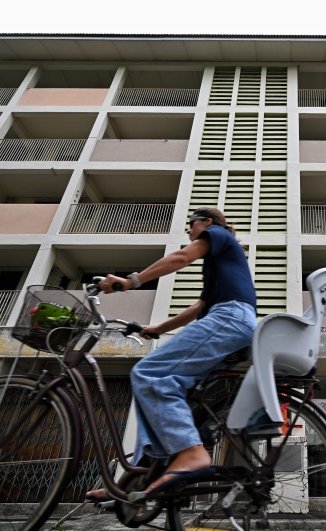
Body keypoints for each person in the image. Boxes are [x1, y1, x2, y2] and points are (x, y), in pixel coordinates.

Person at [86, 207, 257, 500]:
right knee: (165, 393)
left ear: (206, 222)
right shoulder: (222, 266)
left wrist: (131, 282)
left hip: (230, 318)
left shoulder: (216, 235)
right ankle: (140, 478)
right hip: (232, 320)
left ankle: (191, 454)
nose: (190, 233)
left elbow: (181, 258)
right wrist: (157, 328)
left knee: (150, 373)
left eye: (191, 226)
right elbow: (198, 307)